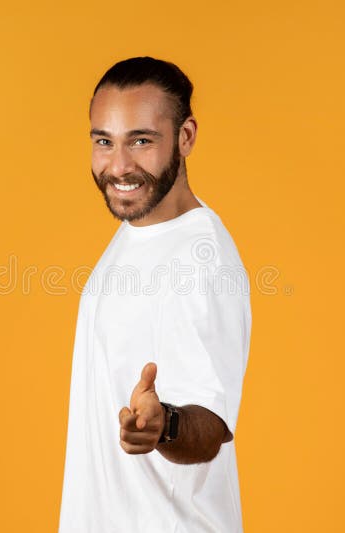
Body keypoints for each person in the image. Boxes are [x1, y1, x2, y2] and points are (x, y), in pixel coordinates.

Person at [58, 56, 252, 532]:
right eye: (104, 141)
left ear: (185, 137)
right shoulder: (142, 224)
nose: (119, 166)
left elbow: (209, 428)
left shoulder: (200, 259)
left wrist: (163, 423)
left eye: (141, 141)